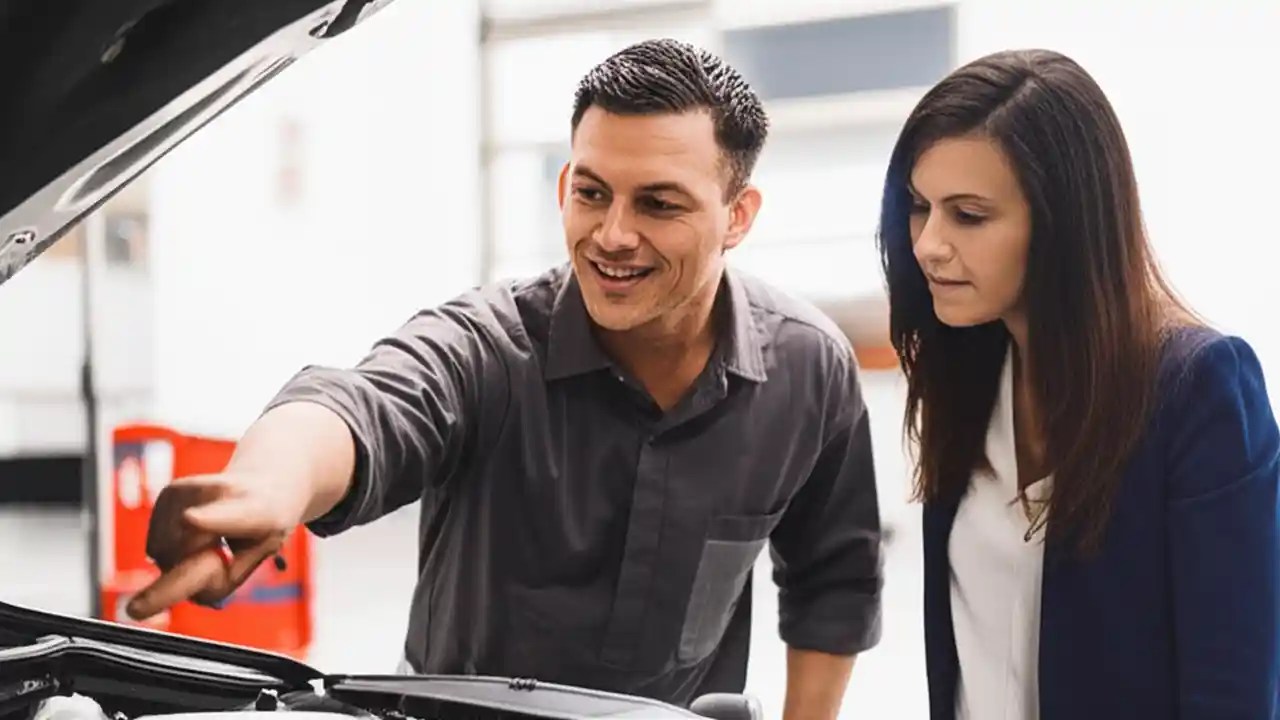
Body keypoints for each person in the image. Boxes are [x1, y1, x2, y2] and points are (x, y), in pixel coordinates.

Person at [125, 38, 884, 717]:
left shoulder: (808, 368)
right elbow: (365, 404)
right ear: (565, 188)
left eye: (658, 204)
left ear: (739, 216)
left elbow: (833, 581)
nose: (613, 235)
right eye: (592, 193)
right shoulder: (491, 345)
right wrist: (272, 484)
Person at [877, 47, 1280, 720]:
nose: (927, 244)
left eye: (968, 215)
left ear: (1065, 221)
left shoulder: (1198, 389)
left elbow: (1234, 693)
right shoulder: (965, 369)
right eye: (920, 207)